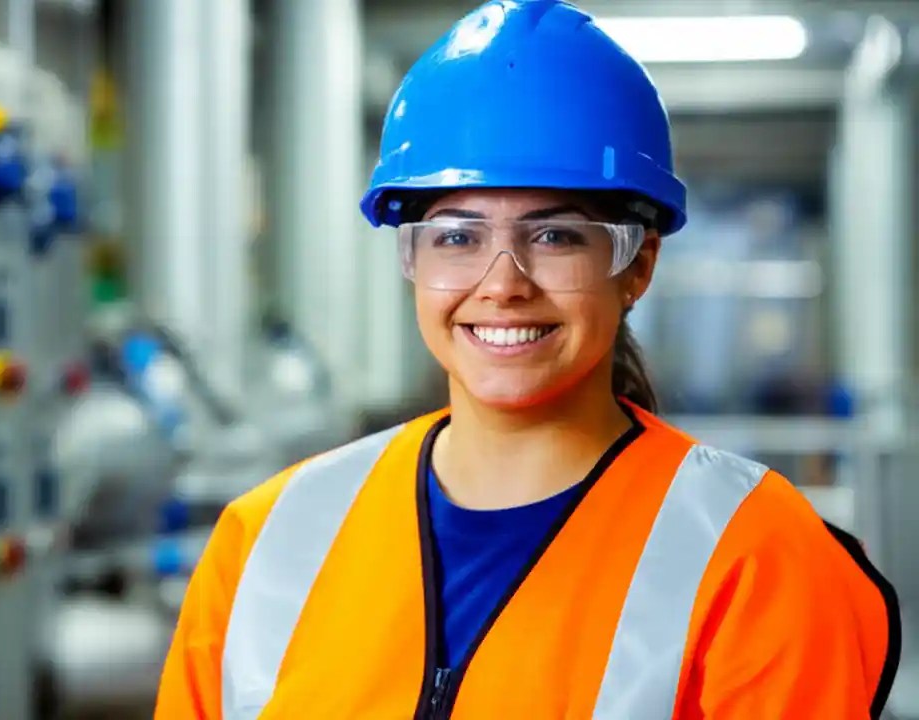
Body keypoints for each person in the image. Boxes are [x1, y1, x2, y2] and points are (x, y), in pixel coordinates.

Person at [155, 1, 900, 718]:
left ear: (637, 266)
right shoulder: (267, 542)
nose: (503, 286)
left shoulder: (756, 557)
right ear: (410, 258)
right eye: (456, 237)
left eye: (555, 237)